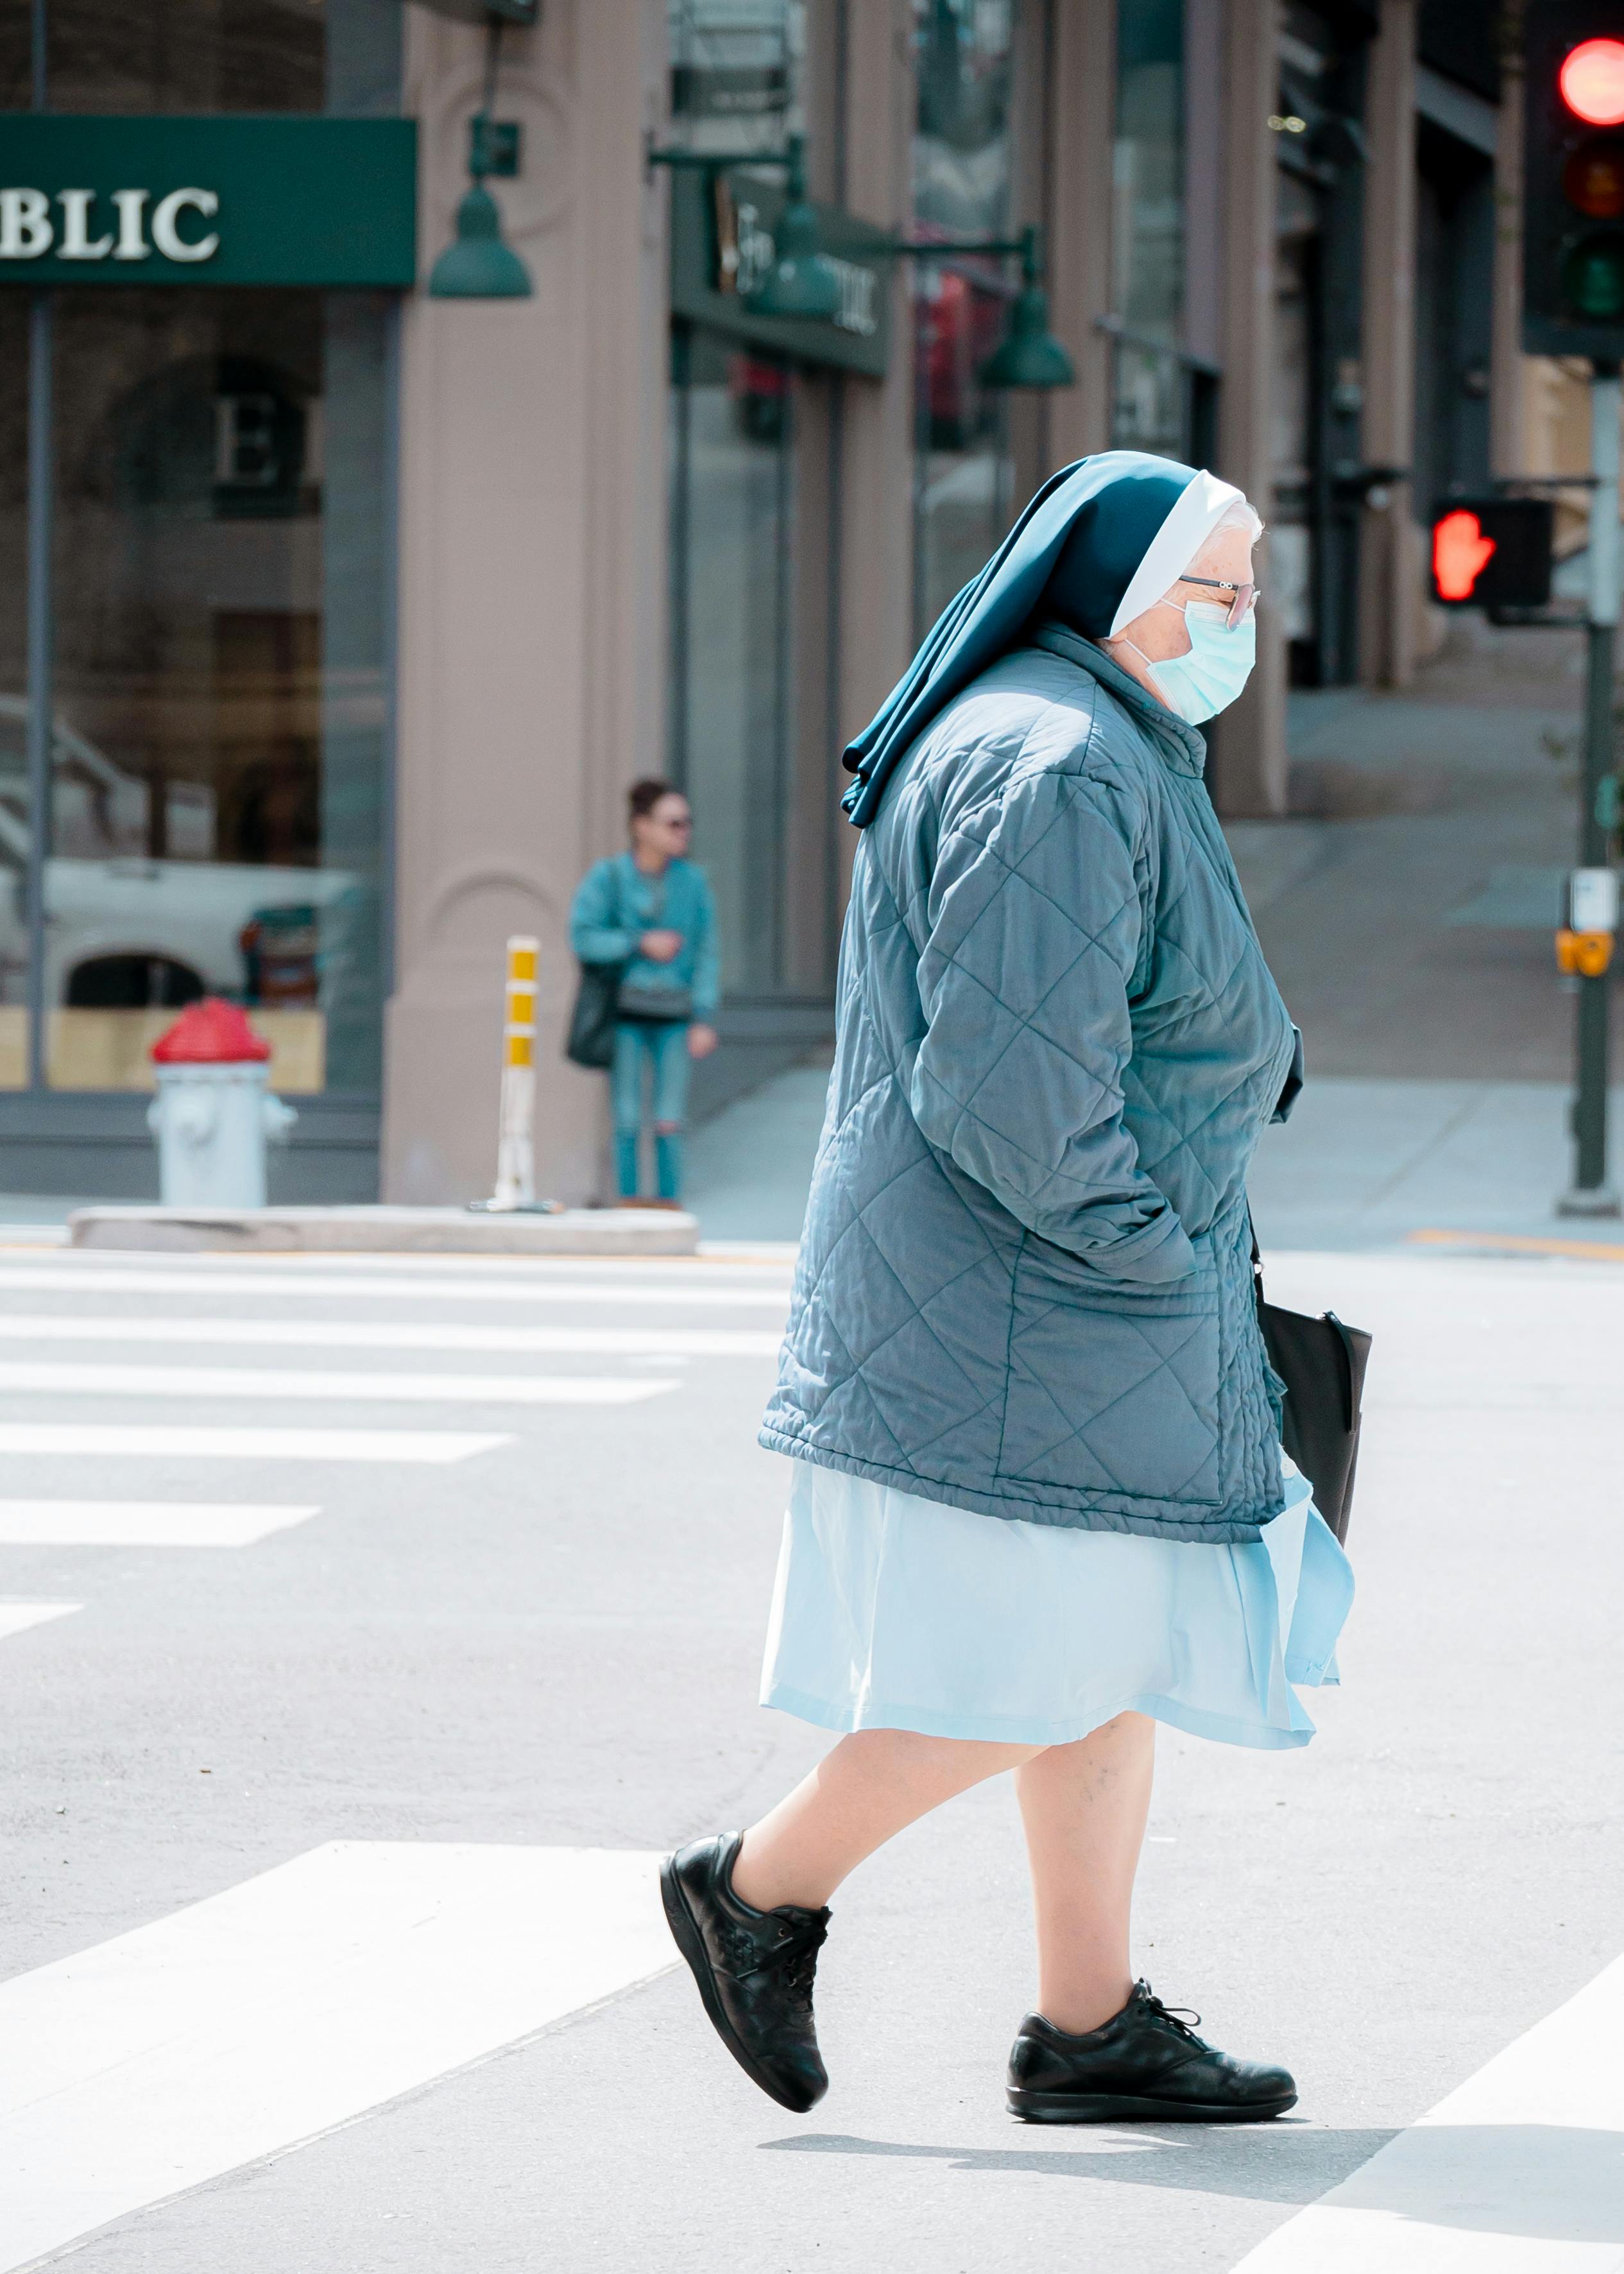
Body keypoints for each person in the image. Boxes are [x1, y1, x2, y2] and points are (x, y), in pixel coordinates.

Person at [660, 452, 1353, 2124]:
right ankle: (755, 1883)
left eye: (1256, 586)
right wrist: (1153, 1249)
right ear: (1115, 585)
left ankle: (1088, 2016)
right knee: (1036, 1667)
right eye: (1219, 584)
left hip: (1065, 1303)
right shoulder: (1049, 760)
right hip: (1037, 1303)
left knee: (1107, 1660)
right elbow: (1013, 1101)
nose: (1245, 617)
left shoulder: (1092, 732)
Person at [569, 780, 719, 1207]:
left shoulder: (693, 883)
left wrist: (703, 1017)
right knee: (627, 1116)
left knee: (670, 1116)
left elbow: (708, 951)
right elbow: (582, 936)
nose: (683, 832)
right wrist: (637, 942)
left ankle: (669, 1202)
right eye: (673, 823)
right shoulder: (610, 877)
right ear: (642, 826)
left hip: (675, 1015)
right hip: (625, 1013)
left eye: (687, 823)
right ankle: (629, 1203)